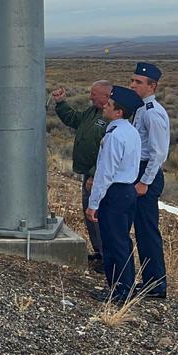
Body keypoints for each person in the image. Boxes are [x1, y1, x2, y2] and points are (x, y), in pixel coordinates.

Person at [86, 86, 143, 304]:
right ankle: (124, 286)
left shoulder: (114, 135)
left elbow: (105, 173)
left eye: (109, 105)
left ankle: (119, 292)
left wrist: (93, 203)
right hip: (127, 191)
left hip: (115, 192)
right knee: (122, 241)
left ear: (119, 112)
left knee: (113, 243)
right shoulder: (131, 132)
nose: (105, 107)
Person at [51, 81, 111, 271]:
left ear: (106, 96)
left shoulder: (112, 117)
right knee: (90, 213)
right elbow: (74, 119)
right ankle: (99, 252)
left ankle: (108, 258)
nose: (90, 97)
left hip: (99, 176)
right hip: (88, 174)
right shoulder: (92, 111)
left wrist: (94, 174)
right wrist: (61, 103)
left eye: (94, 94)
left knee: (99, 215)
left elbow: (108, 152)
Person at [129, 62, 170, 299]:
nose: (132, 85)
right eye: (132, 80)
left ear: (152, 86)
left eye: (138, 82)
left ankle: (155, 284)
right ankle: (149, 281)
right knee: (141, 229)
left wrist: (145, 181)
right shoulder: (141, 109)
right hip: (139, 170)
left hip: (147, 173)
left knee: (147, 231)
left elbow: (158, 152)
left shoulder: (153, 112)